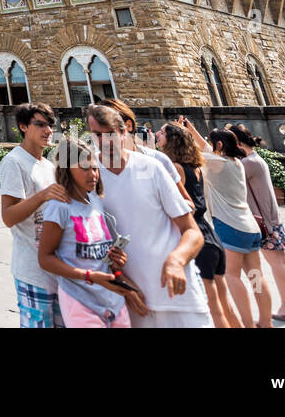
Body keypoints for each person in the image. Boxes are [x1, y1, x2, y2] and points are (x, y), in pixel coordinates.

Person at [86, 104, 211, 328]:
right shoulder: (88, 177)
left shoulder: (152, 167)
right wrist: (120, 280)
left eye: (111, 134)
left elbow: (192, 230)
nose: (105, 142)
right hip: (132, 300)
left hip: (178, 295)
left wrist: (177, 260)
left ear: (124, 131)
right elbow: (89, 244)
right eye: (97, 135)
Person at [38, 136, 146, 327]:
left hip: (112, 298)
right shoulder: (58, 207)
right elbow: (45, 259)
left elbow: (103, 252)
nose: (93, 174)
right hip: (80, 299)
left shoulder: (96, 201)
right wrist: (88, 276)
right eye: (84, 168)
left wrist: (117, 260)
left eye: (95, 168)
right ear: (67, 170)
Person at [178, 118, 272, 328]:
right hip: (250, 228)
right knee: (256, 276)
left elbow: (194, 154)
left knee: (232, 277)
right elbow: (206, 147)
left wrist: (181, 134)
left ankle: (247, 324)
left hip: (231, 228)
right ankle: (266, 323)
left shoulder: (216, 163)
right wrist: (190, 128)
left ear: (219, 146)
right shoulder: (235, 162)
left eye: (213, 143)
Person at [158, 122, 241, 328]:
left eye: (162, 132)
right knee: (224, 303)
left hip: (198, 239)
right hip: (210, 237)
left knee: (214, 308)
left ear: (172, 140)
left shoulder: (176, 168)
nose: (156, 134)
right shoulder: (195, 167)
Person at [229, 123, 285, 324]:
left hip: (262, 222)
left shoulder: (247, 164)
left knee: (275, 264)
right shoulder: (257, 160)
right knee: (283, 262)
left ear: (237, 143)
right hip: (272, 221)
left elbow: (225, 173)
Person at [0, 102, 68, 327]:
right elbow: (8, 217)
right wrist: (42, 196)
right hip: (32, 271)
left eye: (50, 125)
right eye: (39, 124)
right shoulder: (13, 162)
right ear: (23, 127)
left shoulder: (48, 166)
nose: (47, 130)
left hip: (57, 268)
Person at [100, 98, 188, 204]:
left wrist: (164, 190)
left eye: (108, 129)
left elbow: (188, 207)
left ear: (128, 125)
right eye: (97, 133)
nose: (102, 138)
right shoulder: (96, 169)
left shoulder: (158, 160)